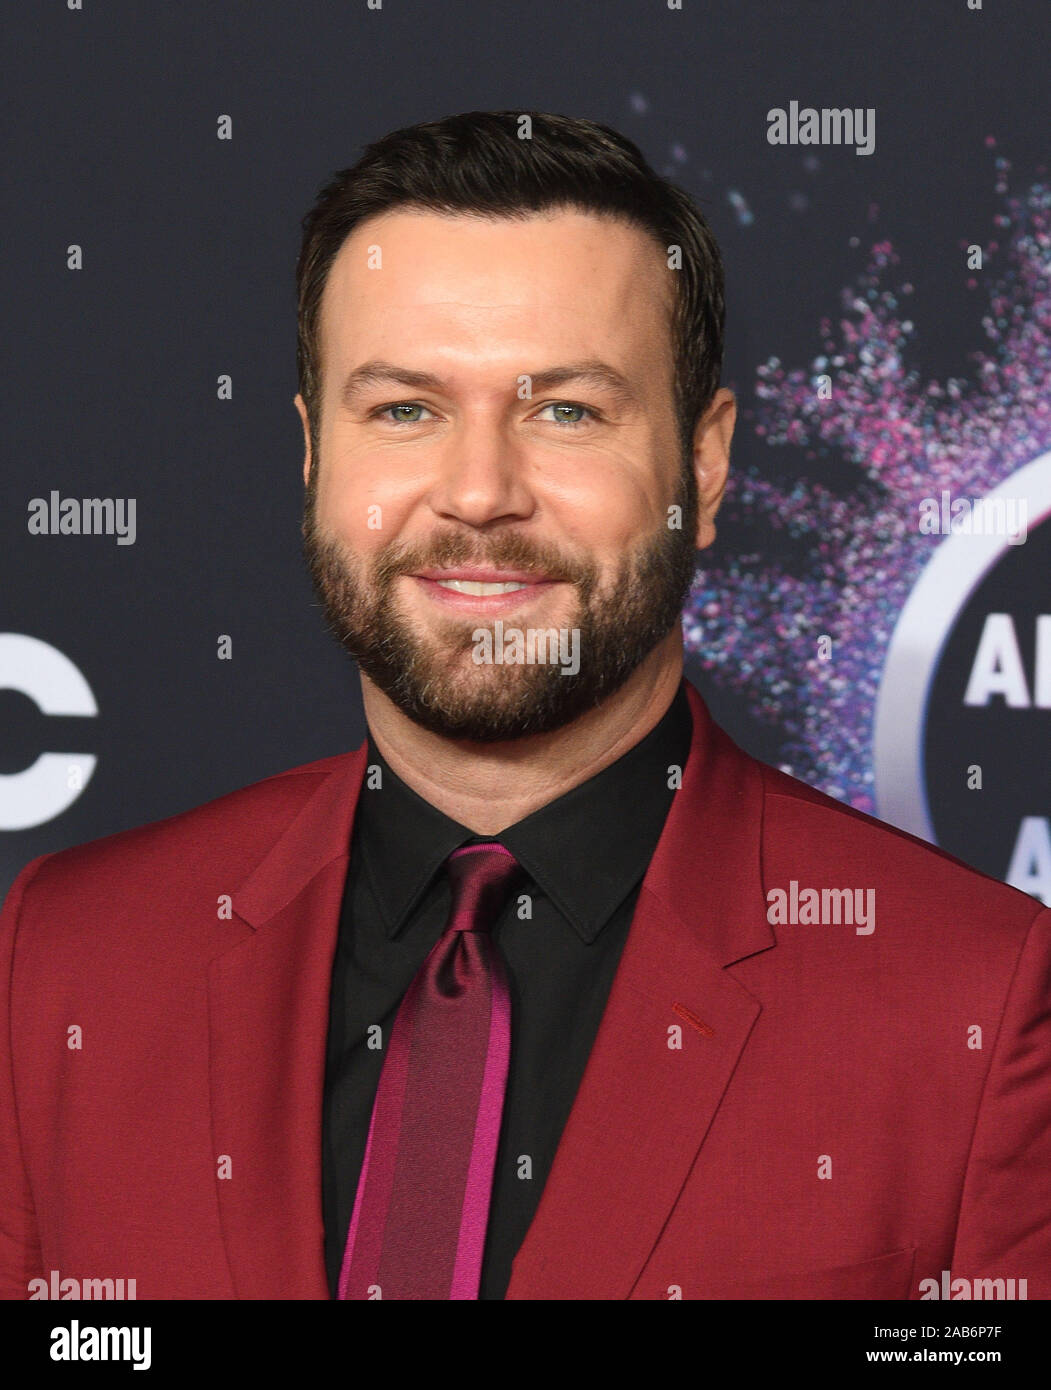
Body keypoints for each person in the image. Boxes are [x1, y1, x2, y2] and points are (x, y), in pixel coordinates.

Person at [2, 110, 1048, 1302]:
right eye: (404, 409)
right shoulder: (68, 963)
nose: (479, 492)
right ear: (312, 457)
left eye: (565, 411)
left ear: (701, 467)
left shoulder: (971, 1002)